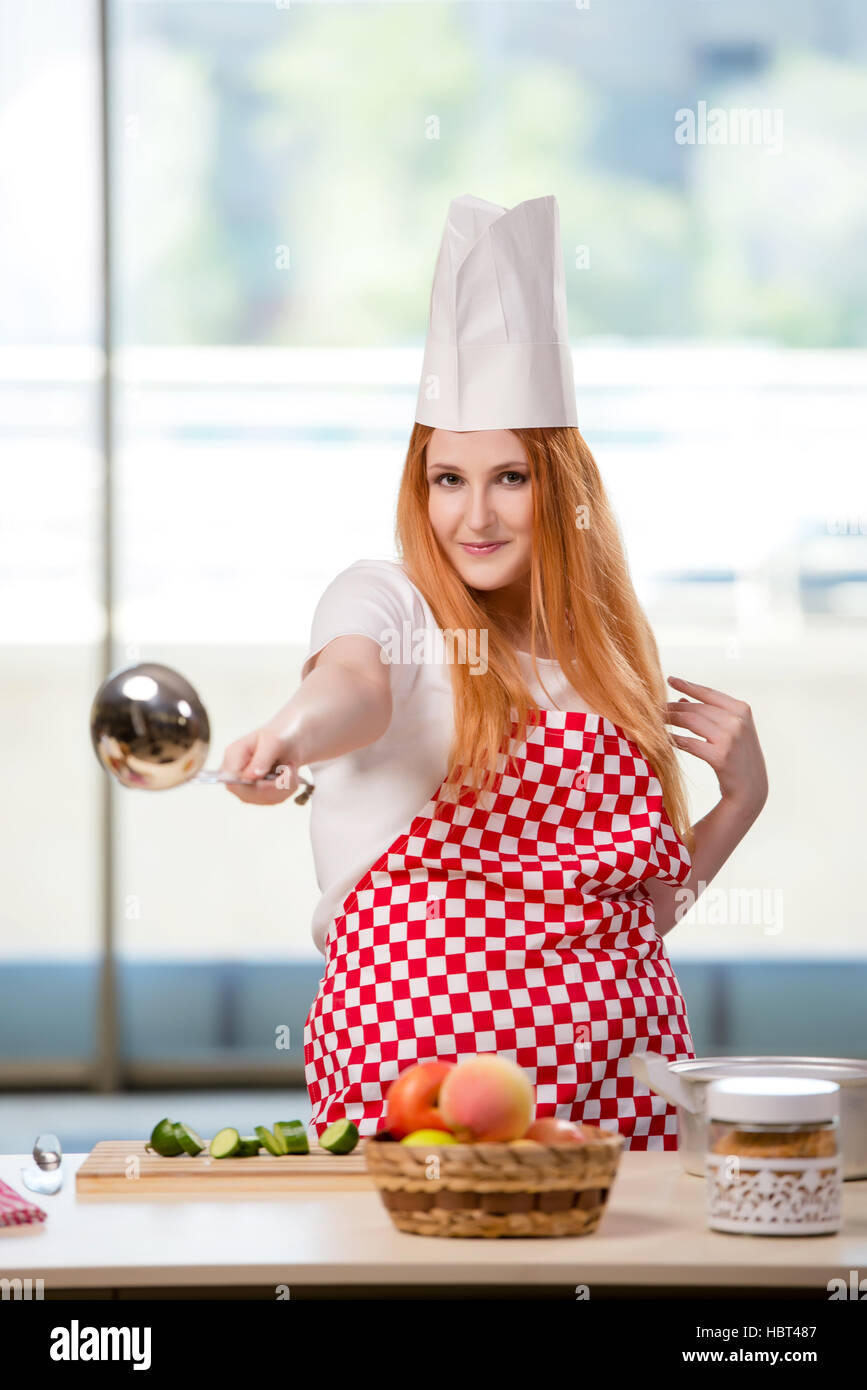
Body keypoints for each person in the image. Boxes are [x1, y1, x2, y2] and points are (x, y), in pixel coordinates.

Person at [220, 194, 768, 1148]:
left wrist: (739, 803)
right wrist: (288, 734)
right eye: (447, 479)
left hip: (620, 1088)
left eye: (508, 477)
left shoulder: (609, 654)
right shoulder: (387, 600)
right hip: (415, 1086)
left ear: (559, 488)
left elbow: (635, 915)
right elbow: (354, 682)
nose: (473, 516)